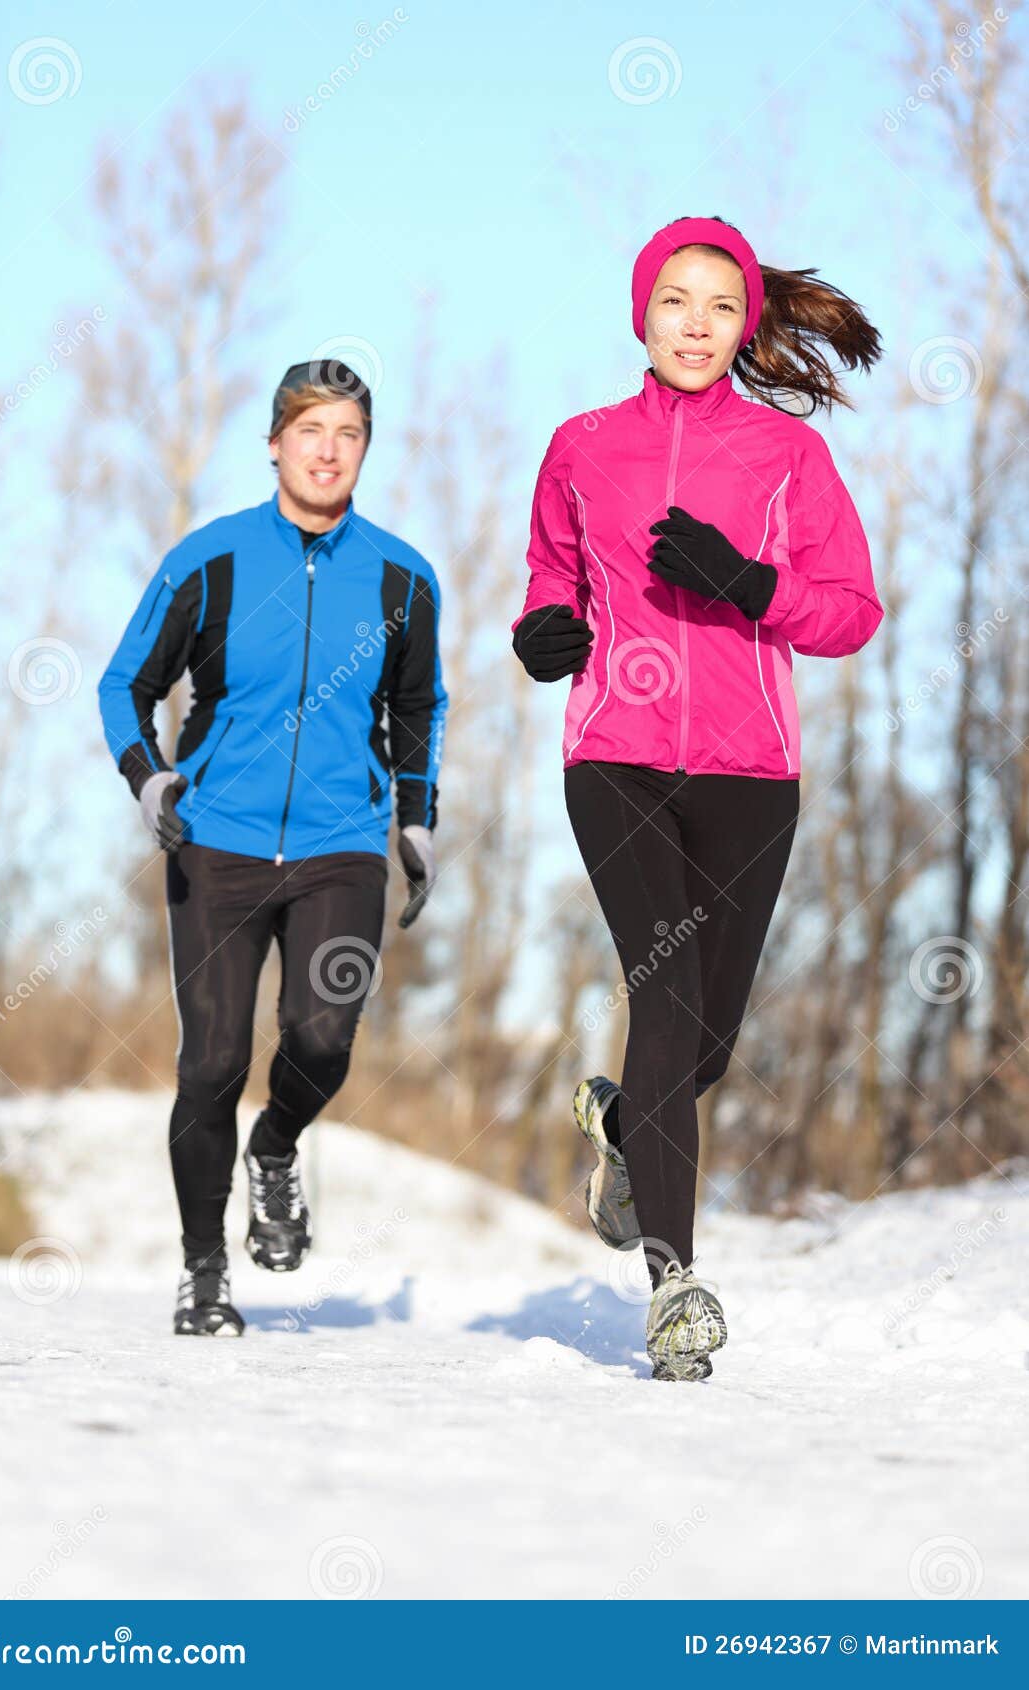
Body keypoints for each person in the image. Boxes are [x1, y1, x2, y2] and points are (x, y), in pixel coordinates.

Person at [512, 216, 884, 1382]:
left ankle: (626, 1129)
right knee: (662, 1000)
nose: (695, 324)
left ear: (744, 325)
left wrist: (744, 582)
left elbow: (849, 610)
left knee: (703, 1042)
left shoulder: (787, 459)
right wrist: (538, 634)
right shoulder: (579, 445)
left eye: (719, 307)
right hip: (613, 753)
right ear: (642, 311)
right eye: (675, 300)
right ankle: (675, 1284)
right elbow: (547, 576)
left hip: (748, 770)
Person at [98, 360, 448, 1336]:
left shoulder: (400, 576)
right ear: (274, 442)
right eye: (309, 430)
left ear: (363, 450)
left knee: (323, 1032)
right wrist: (152, 777)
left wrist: (415, 820)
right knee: (210, 1063)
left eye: (346, 433)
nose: (327, 450)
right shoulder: (209, 560)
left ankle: (278, 1144)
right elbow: (123, 683)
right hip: (216, 842)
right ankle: (204, 1270)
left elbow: (418, 706)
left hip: (341, 843)